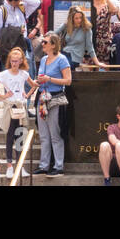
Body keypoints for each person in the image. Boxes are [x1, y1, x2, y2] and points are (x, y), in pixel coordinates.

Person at [0, 47, 38, 165]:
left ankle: (19, 163)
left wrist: (27, 95)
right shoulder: (4, 74)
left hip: (20, 105)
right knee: (10, 134)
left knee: (20, 134)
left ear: (21, 61)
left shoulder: (24, 74)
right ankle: (9, 164)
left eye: (16, 61)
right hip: (10, 106)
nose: (14, 63)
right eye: (12, 60)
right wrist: (2, 96)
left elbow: (34, 85)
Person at [35, 31, 72, 177]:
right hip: (42, 99)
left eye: (45, 42)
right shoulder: (43, 59)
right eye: (42, 42)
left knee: (55, 134)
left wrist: (49, 79)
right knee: (43, 135)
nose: (42, 44)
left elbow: (68, 81)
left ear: (53, 45)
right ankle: (44, 165)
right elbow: (40, 79)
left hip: (55, 98)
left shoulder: (62, 59)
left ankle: (58, 165)